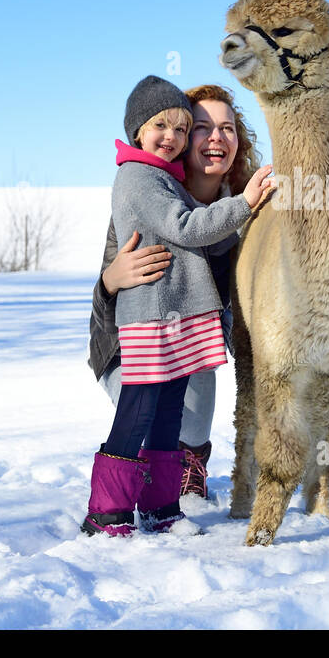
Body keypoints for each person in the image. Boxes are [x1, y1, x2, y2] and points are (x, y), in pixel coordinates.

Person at [82, 76, 272, 537]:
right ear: (137, 131)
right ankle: (107, 510)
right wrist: (109, 281)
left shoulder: (169, 180)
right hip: (145, 324)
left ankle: (162, 503)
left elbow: (217, 240)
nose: (174, 136)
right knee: (140, 410)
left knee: (167, 412)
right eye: (163, 126)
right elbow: (184, 227)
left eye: (182, 128)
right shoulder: (139, 177)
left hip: (183, 323)